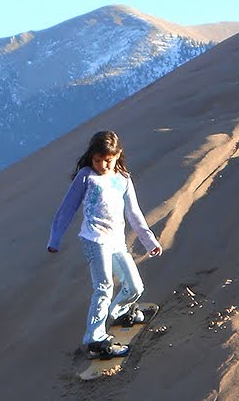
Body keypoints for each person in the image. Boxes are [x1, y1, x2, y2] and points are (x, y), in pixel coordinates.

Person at [47, 130, 163, 359]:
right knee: (103, 288)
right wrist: (55, 239)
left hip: (117, 241)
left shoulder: (123, 180)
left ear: (118, 155)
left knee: (135, 287)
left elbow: (134, 214)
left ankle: (119, 312)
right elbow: (66, 209)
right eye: (97, 160)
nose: (101, 165)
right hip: (94, 239)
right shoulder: (86, 176)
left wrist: (149, 241)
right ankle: (95, 338)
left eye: (107, 160)